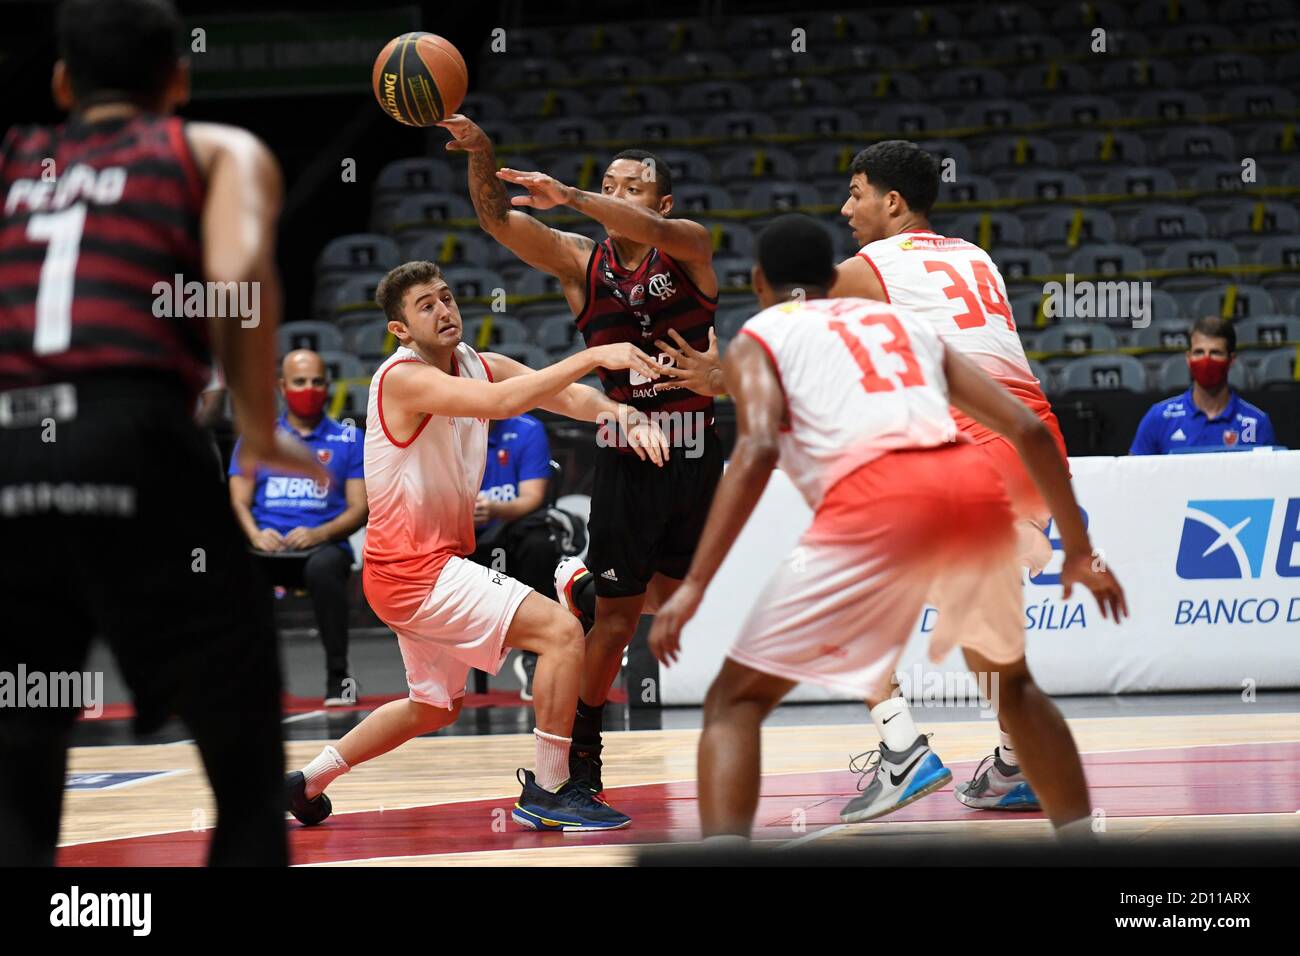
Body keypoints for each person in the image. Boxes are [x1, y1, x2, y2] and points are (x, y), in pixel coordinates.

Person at [648, 215, 1128, 843]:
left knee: (734, 704)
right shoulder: (909, 328)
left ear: (761, 281)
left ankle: (890, 756)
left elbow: (760, 449)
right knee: (1014, 686)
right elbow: (1031, 431)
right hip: (969, 498)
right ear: (832, 277)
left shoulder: (763, 332)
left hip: (874, 509)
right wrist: (1082, 551)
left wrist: (694, 584)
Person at [0, 0, 322, 866]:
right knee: (246, 772)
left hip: (11, 450)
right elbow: (237, 278)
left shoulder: (14, 160)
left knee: (19, 764)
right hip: (134, 435)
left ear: (65, 83)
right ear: (179, 79)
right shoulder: (214, 150)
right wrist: (259, 427)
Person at [285, 261, 670, 832]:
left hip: (420, 569)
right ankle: (551, 787)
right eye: (426, 306)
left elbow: (561, 397)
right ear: (399, 330)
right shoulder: (401, 379)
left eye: (447, 297)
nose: (444, 310)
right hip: (413, 572)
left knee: (434, 706)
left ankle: (305, 782)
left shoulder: (476, 364)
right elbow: (503, 403)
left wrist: (619, 411)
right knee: (561, 632)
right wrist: (593, 355)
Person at [439, 114, 725, 802]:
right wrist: (482, 153)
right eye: (609, 185)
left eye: (633, 188)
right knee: (618, 622)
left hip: (699, 450)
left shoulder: (687, 246)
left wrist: (567, 191)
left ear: (661, 205)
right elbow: (497, 223)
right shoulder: (579, 259)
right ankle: (583, 759)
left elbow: (655, 233)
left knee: (678, 600)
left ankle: (584, 585)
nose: (617, 195)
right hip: (628, 449)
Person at [828, 140, 1073, 819]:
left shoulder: (872, 263)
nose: (846, 208)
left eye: (856, 194)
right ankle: (1014, 764)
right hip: (1035, 442)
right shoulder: (975, 254)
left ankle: (901, 748)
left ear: (893, 202)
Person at [229, 349, 369, 706]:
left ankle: (338, 677)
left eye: (317, 381)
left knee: (324, 569)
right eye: (300, 382)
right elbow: (238, 501)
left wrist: (320, 534)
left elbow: (360, 508)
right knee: (233, 571)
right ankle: (251, 680)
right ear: (282, 386)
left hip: (323, 548)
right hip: (267, 547)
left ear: (327, 385)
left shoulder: (349, 439)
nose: (309, 388)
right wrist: (256, 534)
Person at [469, 413, 556, 700]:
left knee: (540, 545)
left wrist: (493, 510)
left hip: (513, 529)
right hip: (465, 534)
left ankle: (534, 656)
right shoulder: (447, 428)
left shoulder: (528, 429)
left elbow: (532, 497)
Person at [1130, 316, 1277, 454]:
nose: (1206, 360)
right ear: (1188, 358)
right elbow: (1134, 475)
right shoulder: (1159, 418)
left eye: (1215, 353)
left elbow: (1268, 478)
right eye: (1199, 352)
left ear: (1231, 360)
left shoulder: (1256, 423)